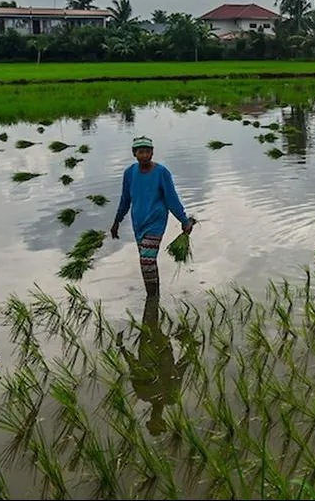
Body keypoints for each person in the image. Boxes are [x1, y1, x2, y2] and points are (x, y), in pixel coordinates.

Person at [110, 135, 194, 296]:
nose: (144, 156)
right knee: (147, 261)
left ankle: (152, 300)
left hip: (156, 222)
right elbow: (125, 199)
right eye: (140, 152)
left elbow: (172, 199)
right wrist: (117, 221)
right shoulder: (129, 173)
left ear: (152, 153)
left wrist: (184, 220)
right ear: (134, 153)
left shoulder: (162, 172)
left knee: (146, 262)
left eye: (147, 152)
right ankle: (155, 294)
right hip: (138, 223)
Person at [116, 294, 197, 436]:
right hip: (162, 348)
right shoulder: (170, 397)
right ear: (163, 420)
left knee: (150, 316)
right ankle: (153, 292)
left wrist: (122, 348)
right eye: (158, 422)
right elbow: (180, 370)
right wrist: (190, 351)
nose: (155, 418)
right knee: (151, 314)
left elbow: (133, 366)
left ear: (150, 420)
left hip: (153, 347)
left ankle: (153, 292)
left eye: (153, 422)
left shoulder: (144, 394)